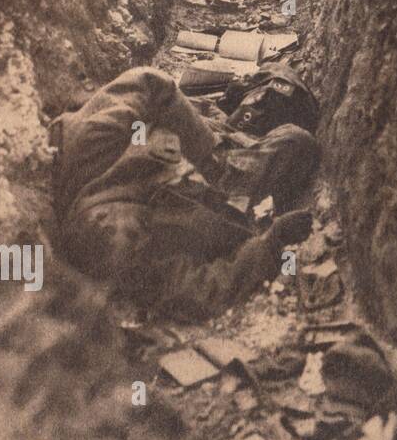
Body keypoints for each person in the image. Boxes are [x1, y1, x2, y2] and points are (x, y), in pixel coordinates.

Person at [49, 64, 319, 321]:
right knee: (298, 142)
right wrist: (271, 243)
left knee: (279, 96)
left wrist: (207, 154)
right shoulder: (115, 244)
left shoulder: (83, 149)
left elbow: (149, 82)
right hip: (224, 192)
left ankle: (240, 106)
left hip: (206, 145)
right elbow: (205, 289)